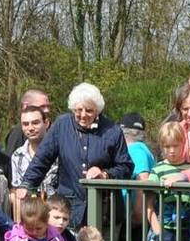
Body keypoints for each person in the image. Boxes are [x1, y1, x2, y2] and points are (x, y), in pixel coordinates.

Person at [18, 82, 133, 228]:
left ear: (98, 110)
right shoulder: (61, 125)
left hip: (105, 213)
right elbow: (42, 159)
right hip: (68, 211)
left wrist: (105, 175)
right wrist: (27, 184)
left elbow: (126, 166)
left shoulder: (113, 130)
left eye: (89, 111)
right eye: (79, 110)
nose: (83, 115)